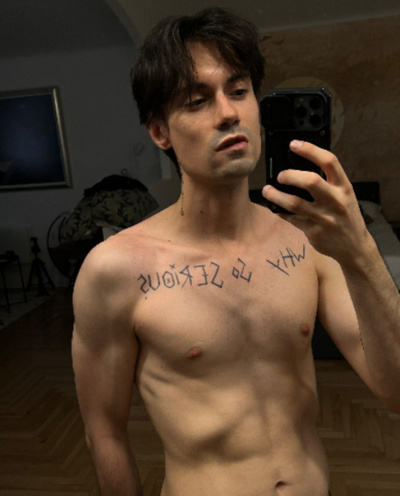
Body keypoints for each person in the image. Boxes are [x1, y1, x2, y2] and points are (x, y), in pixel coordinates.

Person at [72, 7, 400, 496]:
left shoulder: (309, 241)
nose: (228, 113)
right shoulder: (116, 269)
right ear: (160, 131)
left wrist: (362, 254)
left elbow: (396, 391)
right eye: (197, 100)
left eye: (239, 90)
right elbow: (105, 434)